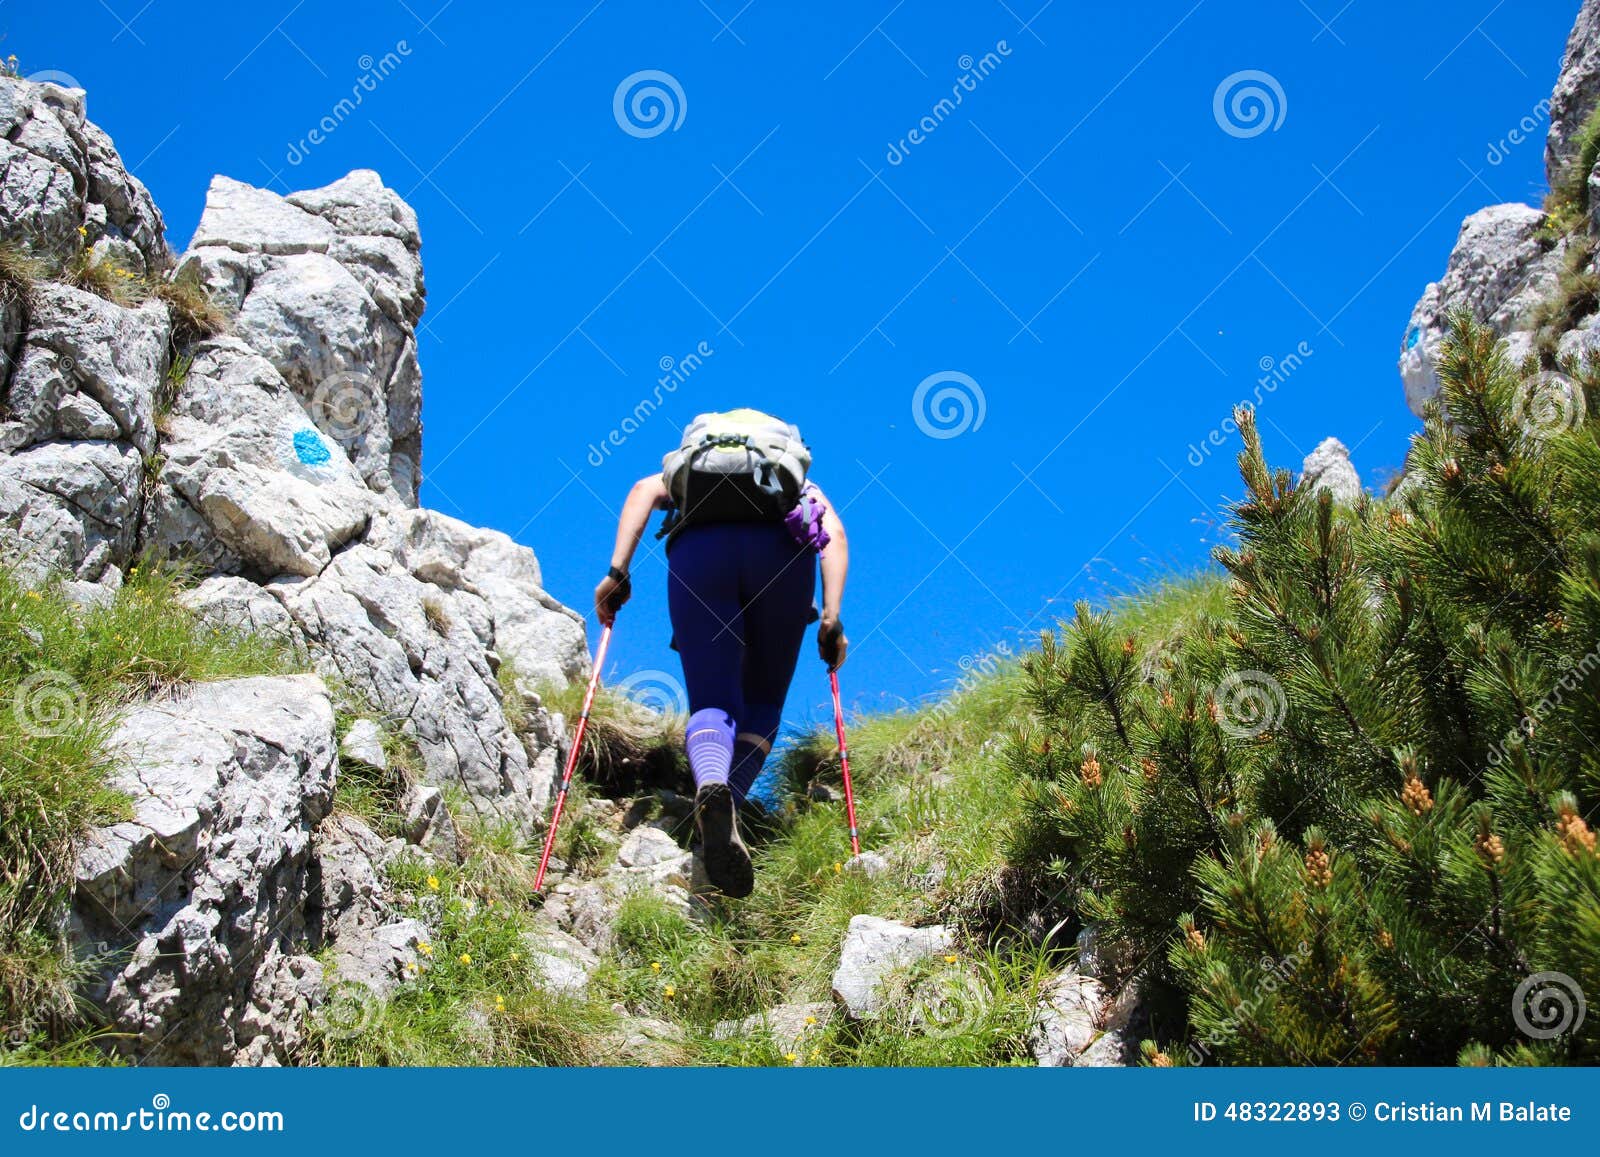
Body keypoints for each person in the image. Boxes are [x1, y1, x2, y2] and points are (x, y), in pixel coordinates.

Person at [593, 410, 849, 898]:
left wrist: (617, 571)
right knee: (764, 702)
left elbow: (641, 493)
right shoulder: (791, 481)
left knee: (714, 697)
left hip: (699, 554)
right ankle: (725, 798)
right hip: (782, 560)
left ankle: (710, 783)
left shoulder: (689, 474)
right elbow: (830, 533)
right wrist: (832, 615)